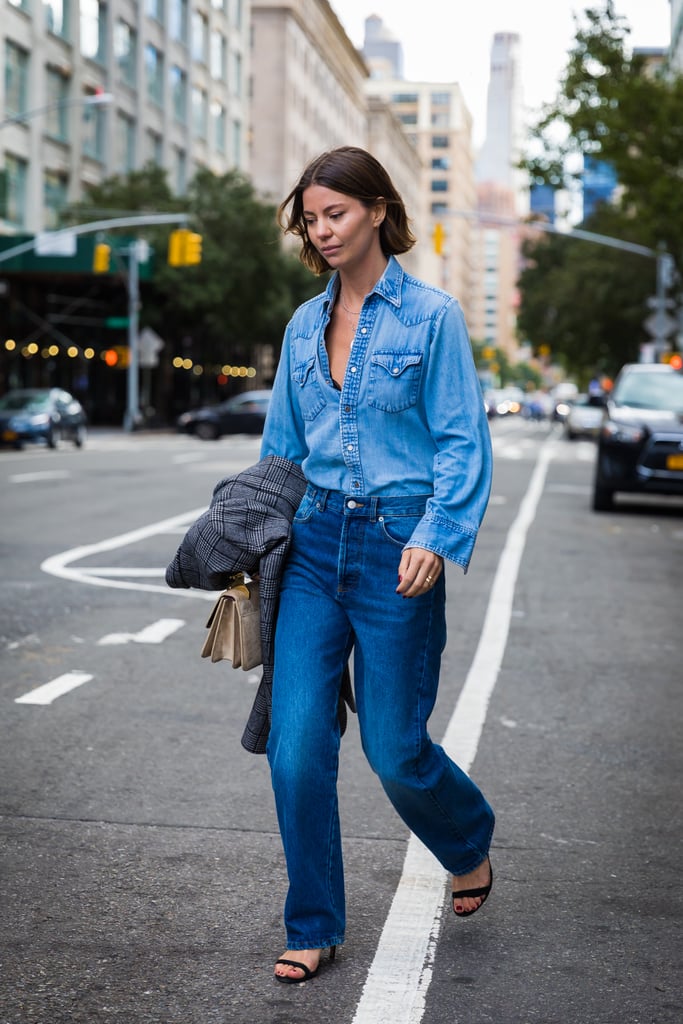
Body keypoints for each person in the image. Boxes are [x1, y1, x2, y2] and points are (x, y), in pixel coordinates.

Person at [260, 146, 495, 985]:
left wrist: (435, 533)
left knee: (395, 750)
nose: (323, 231)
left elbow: (463, 438)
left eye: (337, 214)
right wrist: (254, 537)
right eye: (312, 218)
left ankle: (466, 841)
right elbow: (283, 448)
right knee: (295, 749)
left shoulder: (429, 318)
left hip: (400, 547)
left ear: (377, 212)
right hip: (315, 546)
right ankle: (313, 924)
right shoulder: (300, 325)